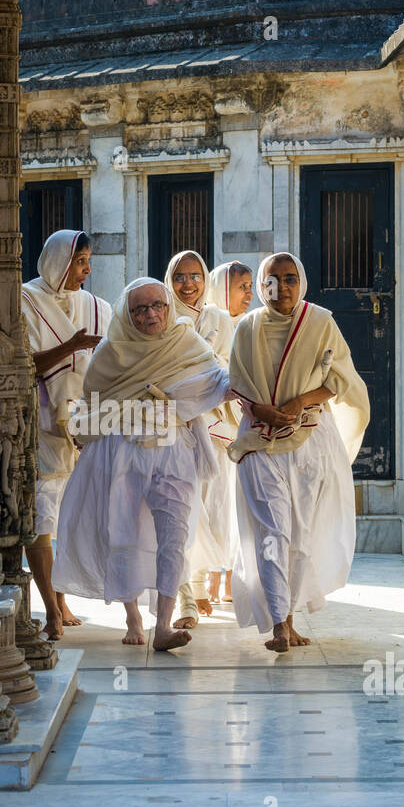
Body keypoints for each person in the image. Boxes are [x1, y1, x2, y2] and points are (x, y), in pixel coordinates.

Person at [52, 278, 230, 651]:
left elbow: (215, 382)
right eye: (140, 309)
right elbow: (92, 408)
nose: (151, 314)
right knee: (124, 533)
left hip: (173, 449)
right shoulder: (110, 351)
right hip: (123, 452)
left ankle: (163, 625)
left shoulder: (187, 342)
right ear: (127, 314)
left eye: (157, 306)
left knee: (175, 536)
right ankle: (132, 615)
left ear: (168, 307)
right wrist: (133, 410)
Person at [227, 252, 370, 653]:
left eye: (290, 279)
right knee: (273, 530)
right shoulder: (247, 328)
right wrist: (261, 409)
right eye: (272, 280)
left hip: (309, 438)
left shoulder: (320, 322)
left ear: (301, 282)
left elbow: (341, 379)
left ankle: (288, 618)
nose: (281, 288)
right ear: (260, 285)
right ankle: (277, 624)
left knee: (300, 535)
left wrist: (298, 402)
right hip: (258, 437)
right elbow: (236, 381)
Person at [20, 230, 109, 639]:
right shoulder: (24, 300)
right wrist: (70, 346)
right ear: (58, 261)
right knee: (42, 518)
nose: (87, 270)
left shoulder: (94, 307)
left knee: (70, 519)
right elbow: (21, 365)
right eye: (80, 261)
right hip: (40, 427)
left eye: (88, 261)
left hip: (86, 429)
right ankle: (52, 609)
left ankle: (64, 597)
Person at [162, 250, 234, 628]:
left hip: (216, 430)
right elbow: (162, 374)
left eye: (195, 276)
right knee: (180, 512)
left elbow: (229, 369)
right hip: (176, 429)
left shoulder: (221, 320)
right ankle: (184, 599)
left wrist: (203, 377)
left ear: (205, 280)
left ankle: (200, 585)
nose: (188, 284)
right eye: (180, 277)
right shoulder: (162, 318)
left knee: (212, 513)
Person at [202, 260, 255, 606]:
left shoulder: (254, 327)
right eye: (241, 287)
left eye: (251, 286)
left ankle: (234, 576)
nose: (249, 294)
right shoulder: (208, 324)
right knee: (213, 504)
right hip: (211, 427)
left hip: (243, 426)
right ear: (222, 288)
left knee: (237, 507)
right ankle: (208, 577)